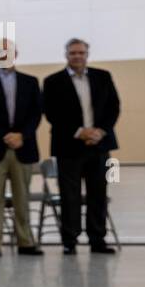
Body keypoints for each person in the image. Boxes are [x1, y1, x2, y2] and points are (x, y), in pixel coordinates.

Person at [42, 38, 120, 254]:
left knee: (98, 194)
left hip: (99, 144)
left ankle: (98, 240)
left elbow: (113, 107)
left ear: (87, 54)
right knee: (70, 195)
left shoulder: (103, 77)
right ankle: (70, 240)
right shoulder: (52, 81)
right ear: (66, 55)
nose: (77, 56)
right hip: (69, 146)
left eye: (81, 52)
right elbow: (52, 112)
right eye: (73, 53)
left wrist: (99, 131)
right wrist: (80, 131)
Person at [0, 38, 42, 256]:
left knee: (23, 199)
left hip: (23, 147)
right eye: (1, 52)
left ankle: (25, 242)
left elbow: (35, 114)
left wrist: (21, 135)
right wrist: (6, 136)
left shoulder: (30, 82)